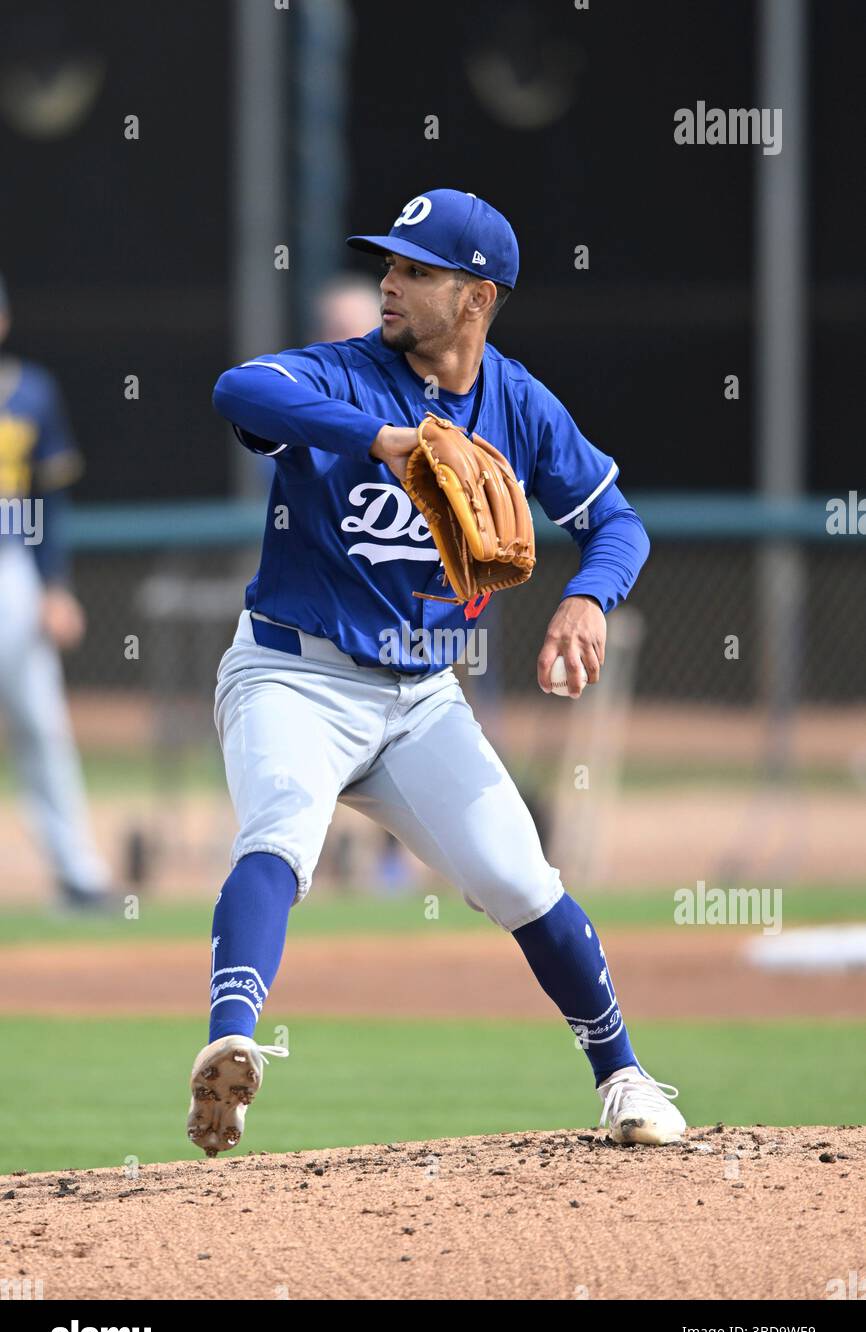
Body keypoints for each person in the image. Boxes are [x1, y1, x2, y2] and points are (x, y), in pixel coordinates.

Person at [187, 190, 687, 1157]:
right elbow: (237, 389)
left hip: (421, 699)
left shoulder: (518, 403)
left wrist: (589, 599)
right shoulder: (344, 375)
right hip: (295, 676)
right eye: (390, 265)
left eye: (417, 270)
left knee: (518, 875)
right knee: (284, 824)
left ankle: (624, 1076)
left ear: (477, 298)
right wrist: (381, 439)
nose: (390, 282)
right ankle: (231, 1043)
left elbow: (616, 522)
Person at [0, 273, 111, 908]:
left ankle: (78, 873)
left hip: (11, 567)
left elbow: (50, 500)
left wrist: (55, 586)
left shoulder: (30, 391)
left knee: (39, 722)